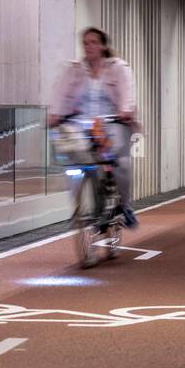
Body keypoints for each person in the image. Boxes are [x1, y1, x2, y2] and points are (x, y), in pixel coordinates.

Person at [51, 26, 139, 228]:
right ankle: (79, 207)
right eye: (85, 43)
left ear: (102, 46)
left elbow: (126, 92)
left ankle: (125, 205)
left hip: (111, 122)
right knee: (72, 162)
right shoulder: (74, 70)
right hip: (81, 124)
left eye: (93, 42)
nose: (89, 47)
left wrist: (125, 110)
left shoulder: (118, 68)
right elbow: (61, 95)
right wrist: (54, 115)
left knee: (121, 164)